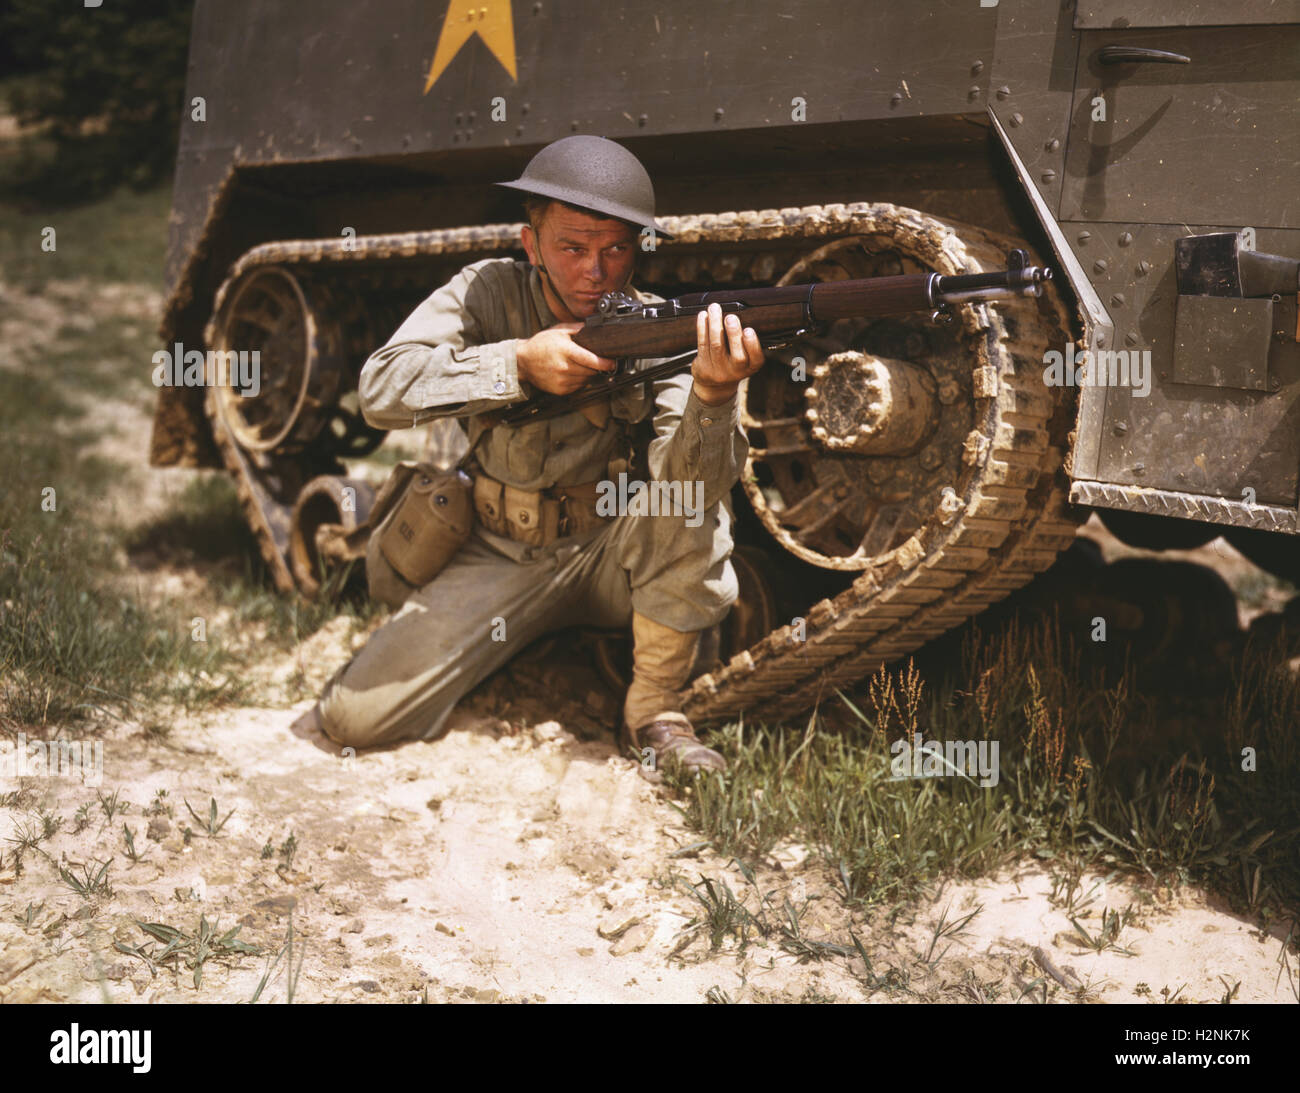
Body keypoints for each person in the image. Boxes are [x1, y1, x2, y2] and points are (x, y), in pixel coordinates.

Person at [315, 135, 764, 774]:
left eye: (615, 248)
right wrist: (516, 363)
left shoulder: (661, 327)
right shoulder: (487, 292)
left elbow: (697, 483)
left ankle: (654, 710)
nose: (596, 270)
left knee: (688, 501)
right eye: (572, 247)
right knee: (352, 718)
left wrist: (714, 395)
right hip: (495, 546)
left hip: (613, 554)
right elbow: (379, 389)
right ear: (532, 246)